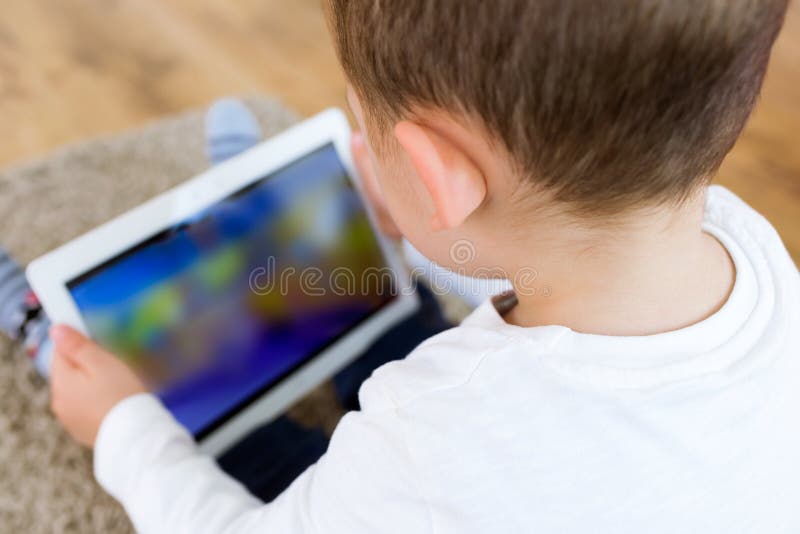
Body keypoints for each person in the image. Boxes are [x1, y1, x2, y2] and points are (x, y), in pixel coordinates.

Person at [48, 0, 799, 532]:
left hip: (441, 483)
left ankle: (77, 338)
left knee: (237, 430)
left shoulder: (419, 442)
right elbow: (544, 276)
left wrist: (123, 429)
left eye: (377, 144)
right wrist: (414, 236)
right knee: (408, 310)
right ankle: (288, 242)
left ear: (439, 176)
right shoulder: (749, 244)